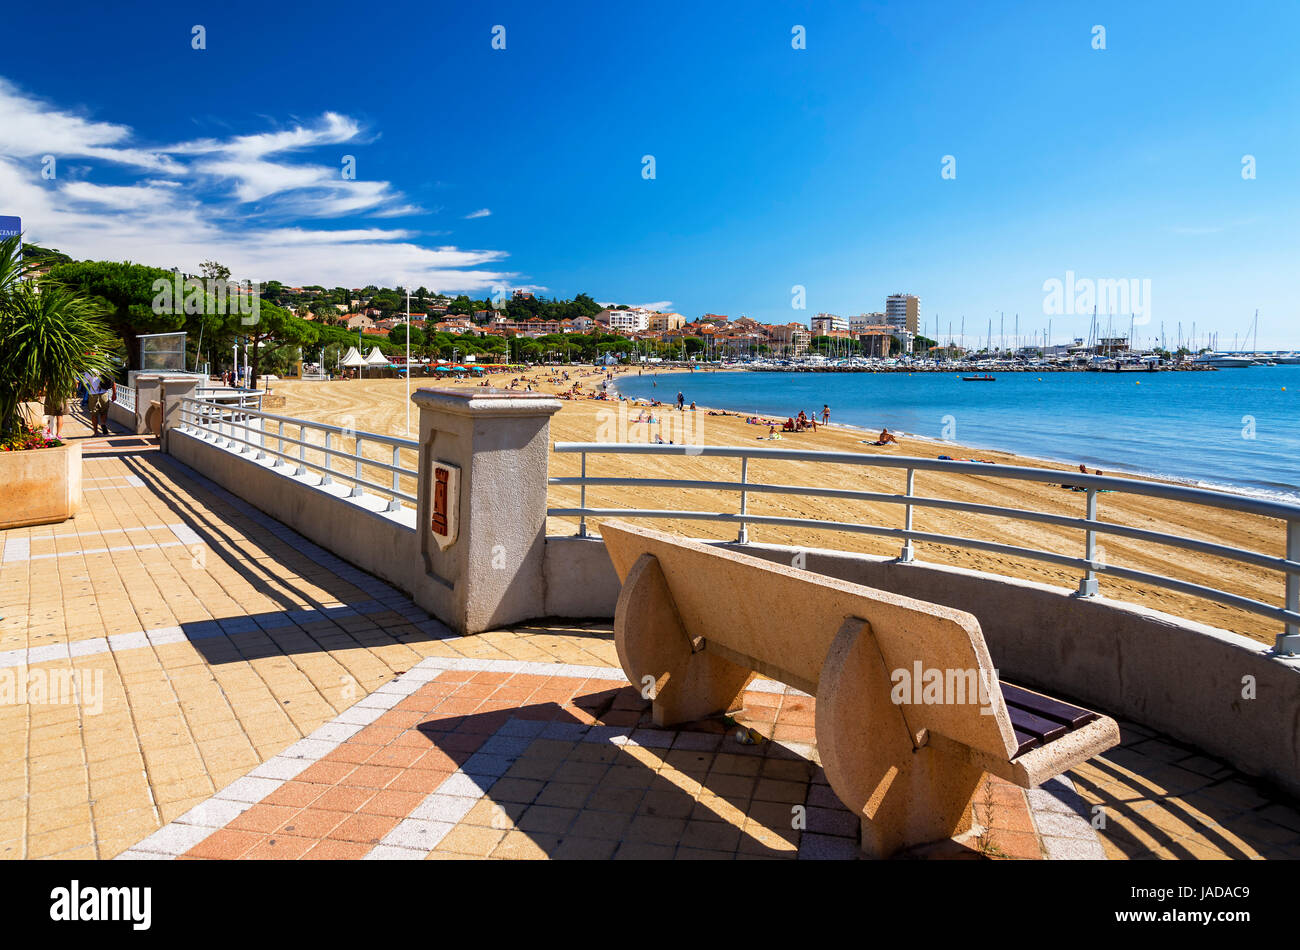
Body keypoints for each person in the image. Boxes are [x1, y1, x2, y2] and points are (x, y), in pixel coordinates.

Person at [83, 370, 116, 436]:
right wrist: (114, 393)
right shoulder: (105, 368)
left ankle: (96, 432)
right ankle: (103, 423)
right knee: (104, 411)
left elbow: (84, 382)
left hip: (93, 394)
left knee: (94, 413)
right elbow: (113, 382)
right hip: (104, 394)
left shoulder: (89, 371)